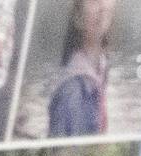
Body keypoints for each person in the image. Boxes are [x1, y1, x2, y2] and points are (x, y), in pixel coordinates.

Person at [48, 0, 115, 137]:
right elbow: (73, 155)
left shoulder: (101, 63)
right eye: (93, 1)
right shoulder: (74, 89)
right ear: (77, 16)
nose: (103, 6)